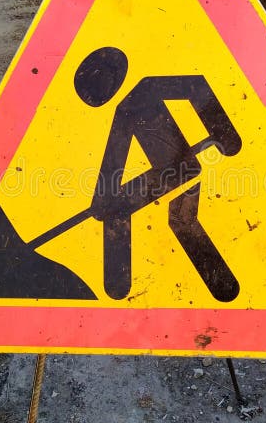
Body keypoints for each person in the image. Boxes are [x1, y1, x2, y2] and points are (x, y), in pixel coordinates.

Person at [75, 46, 242, 302]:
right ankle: (118, 285)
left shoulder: (146, 88)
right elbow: (113, 160)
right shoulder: (125, 108)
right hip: (168, 173)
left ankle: (223, 286)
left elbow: (197, 88)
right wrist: (102, 201)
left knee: (179, 220)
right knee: (128, 212)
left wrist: (225, 136)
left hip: (181, 167)